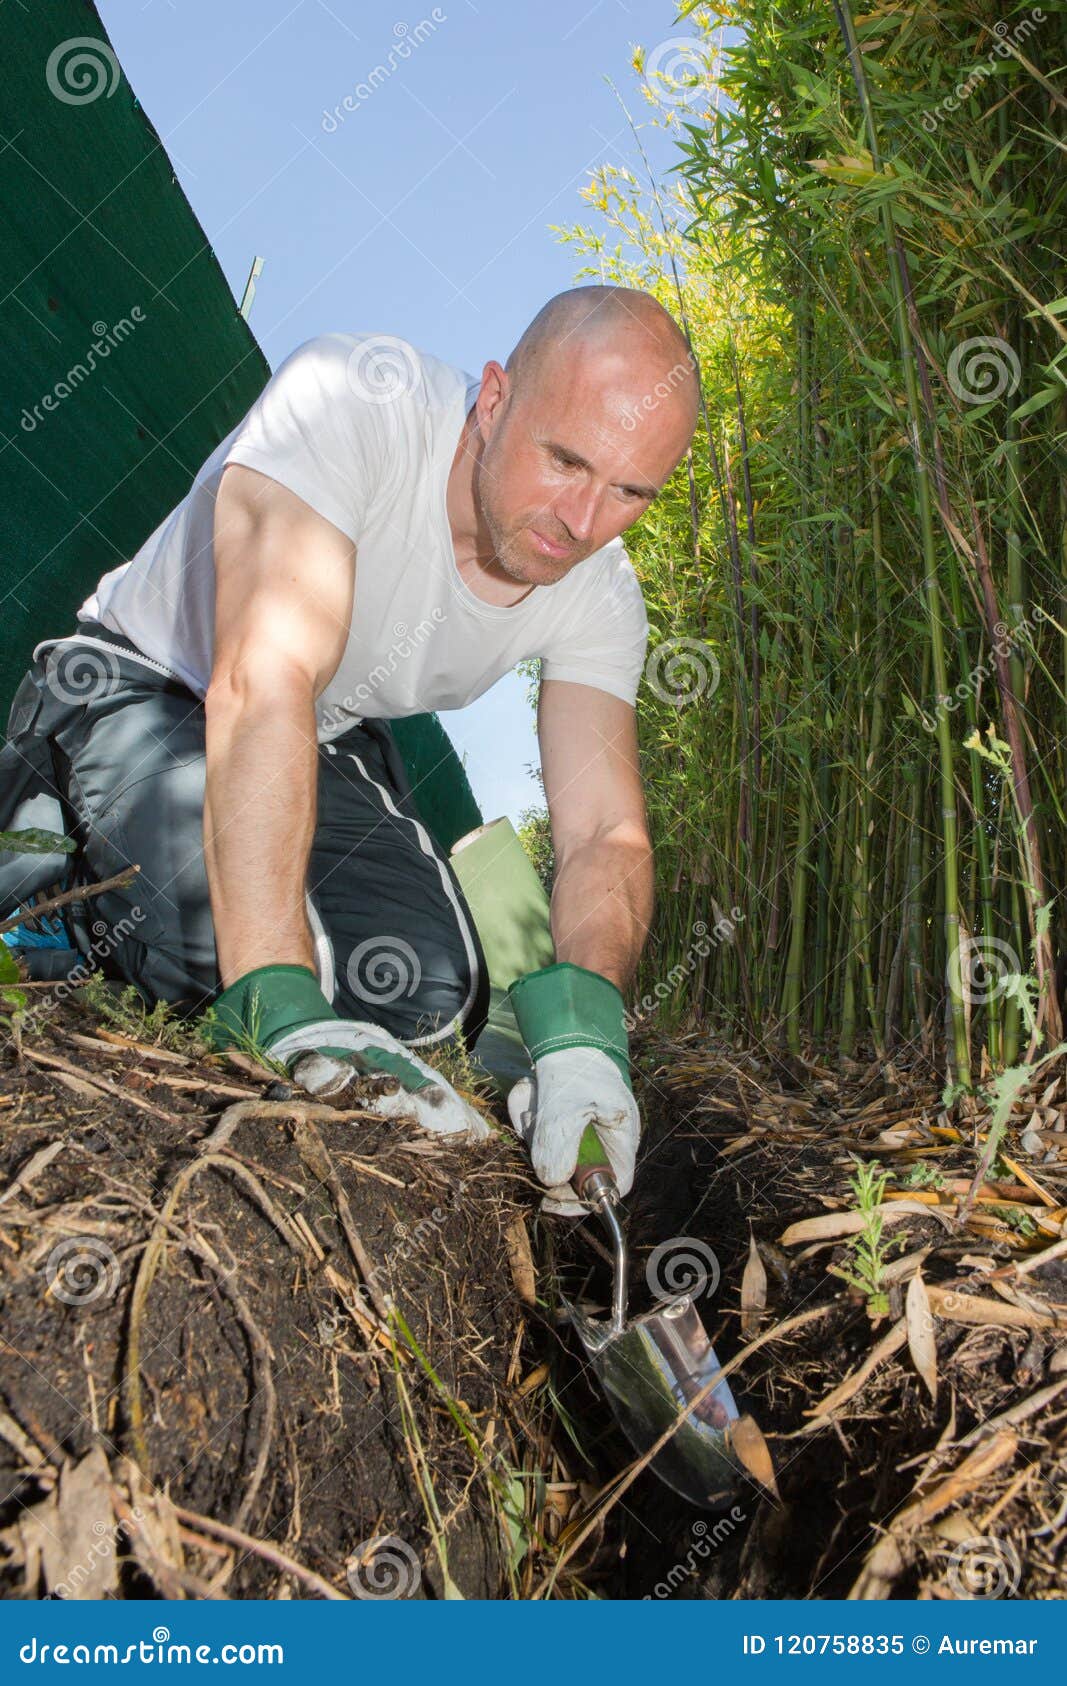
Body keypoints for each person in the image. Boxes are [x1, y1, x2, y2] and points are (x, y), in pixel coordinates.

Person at [0, 284, 700, 1209]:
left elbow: (604, 829)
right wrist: (283, 1003)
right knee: (225, 956)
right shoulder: (352, 399)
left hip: (316, 738)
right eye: (566, 460)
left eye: (629, 493)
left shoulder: (600, 593)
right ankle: (57, 895)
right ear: (493, 400)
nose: (582, 522)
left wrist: (585, 1034)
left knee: (428, 996)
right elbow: (263, 679)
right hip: (149, 679)